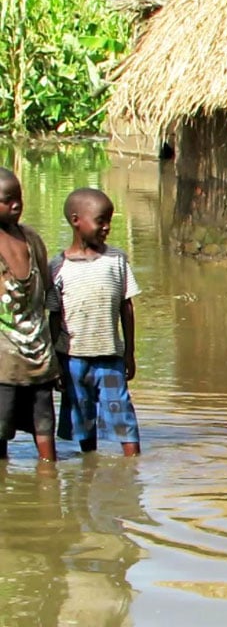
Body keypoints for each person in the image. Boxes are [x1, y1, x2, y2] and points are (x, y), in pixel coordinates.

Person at [47, 188, 142, 457]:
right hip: (74, 359)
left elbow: (127, 307)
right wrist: (56, 361)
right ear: (77, 220)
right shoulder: (57, 267)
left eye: (109, 221)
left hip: (110, 357)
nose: (107, 227)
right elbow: (54, 316)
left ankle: (132, 462)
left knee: (122, 412)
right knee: (82, 416)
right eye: (101, 221)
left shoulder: (116, 260)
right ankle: (89, 463)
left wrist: (129, 353)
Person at [0, 168, 59, 463]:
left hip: (39, 352)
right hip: (3, 359)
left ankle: (48, 481)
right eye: (7, 200)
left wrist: (57, 342)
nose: (16, 205)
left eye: (19, 198)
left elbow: (49, 293)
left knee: (45, 424)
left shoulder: (32, 239)